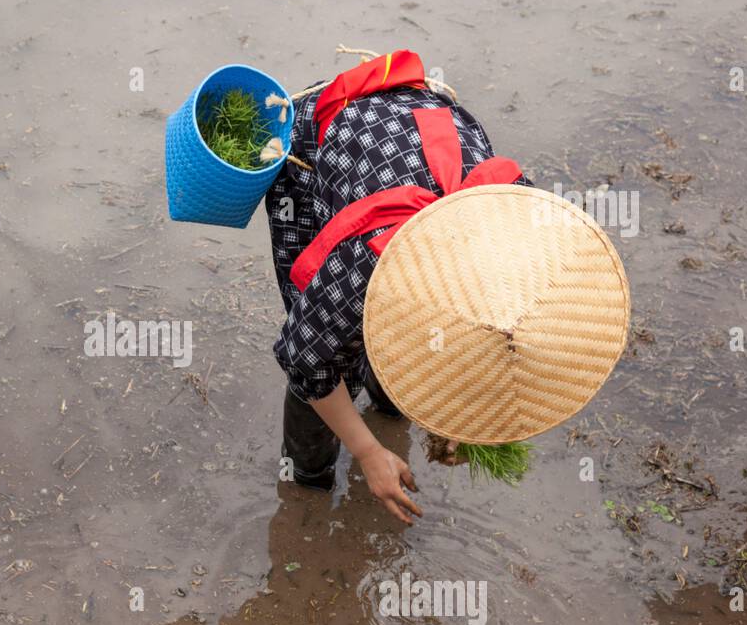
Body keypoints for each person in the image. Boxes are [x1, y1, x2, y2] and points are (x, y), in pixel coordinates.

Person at [265, 50, 626, 523]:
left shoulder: (525, 220)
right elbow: (304, 355)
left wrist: (462, 420)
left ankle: (390, 399)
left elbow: (491, 339)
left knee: (401, 368)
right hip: (320, 146)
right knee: (336, 345)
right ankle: (307, 484)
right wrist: (370, 454)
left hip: (417, 123)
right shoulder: (364, 264)